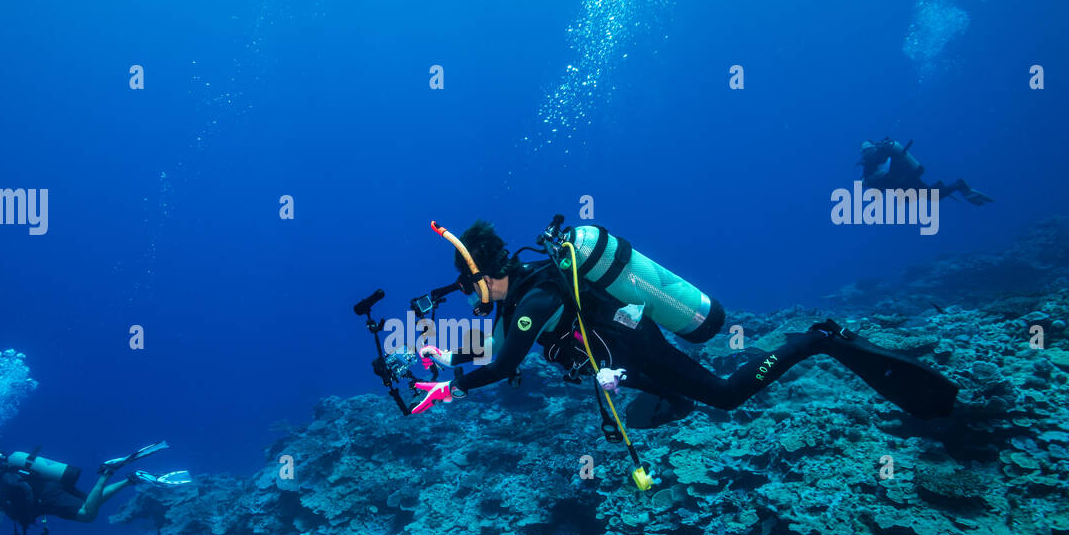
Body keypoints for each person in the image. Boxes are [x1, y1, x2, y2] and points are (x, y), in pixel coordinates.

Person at [408, 221, 957, 425]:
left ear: (480, 273)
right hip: (619, 359)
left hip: (636, 345)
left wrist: (450, 387)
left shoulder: (536, 295)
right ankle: (677, 398)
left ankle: (815, 340)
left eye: (465, 282)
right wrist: (442, 356)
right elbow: (492, 347)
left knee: (726, 396)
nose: (465, 294)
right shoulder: (516, 300)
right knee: (642, 400)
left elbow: (504, 364)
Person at [0, 442, 188, 535]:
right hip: (49, 488)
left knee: (87, 514)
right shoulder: (1, 475)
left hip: (46, 496)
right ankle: (132, 479)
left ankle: (107, 471)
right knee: (89, 502)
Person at [857, 138, 992, 205]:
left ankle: (959, 184)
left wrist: (875, 178)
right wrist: (867, 182)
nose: (868, 153)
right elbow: (872, 184)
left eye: (870, 149)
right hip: (900, 185)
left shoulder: (885, 155)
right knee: (912, 199)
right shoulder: (868, 165)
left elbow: (885, 172)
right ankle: (941, 186)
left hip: (908, 178)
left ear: (875, 148)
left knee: (933, 197)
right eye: (865, 151)